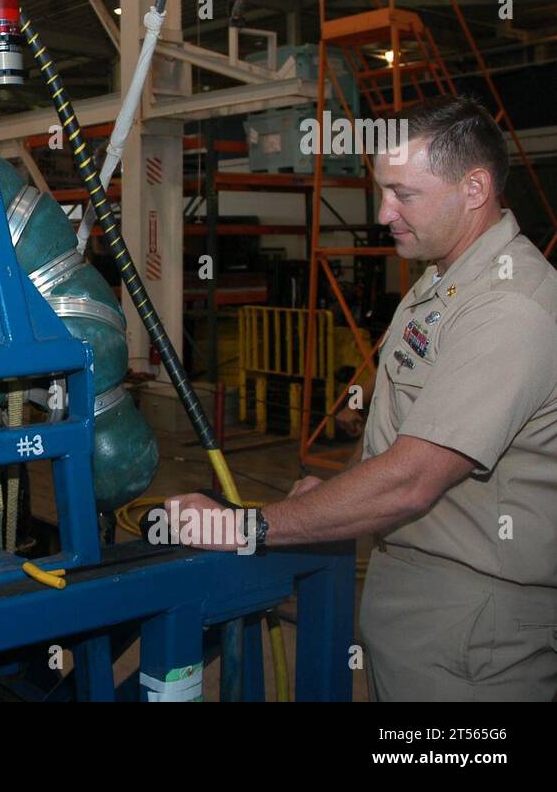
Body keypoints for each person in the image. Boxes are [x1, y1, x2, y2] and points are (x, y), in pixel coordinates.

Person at [170, 95, 557, 701]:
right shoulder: (441, 281)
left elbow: (412, 480)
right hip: (412, 593)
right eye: (383, 190)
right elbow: (402, 428)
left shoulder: (509, 306)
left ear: (475, 187)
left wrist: (245, 528)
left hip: (474, 625)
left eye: (404, 193)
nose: (384, 212)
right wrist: (337, 489)